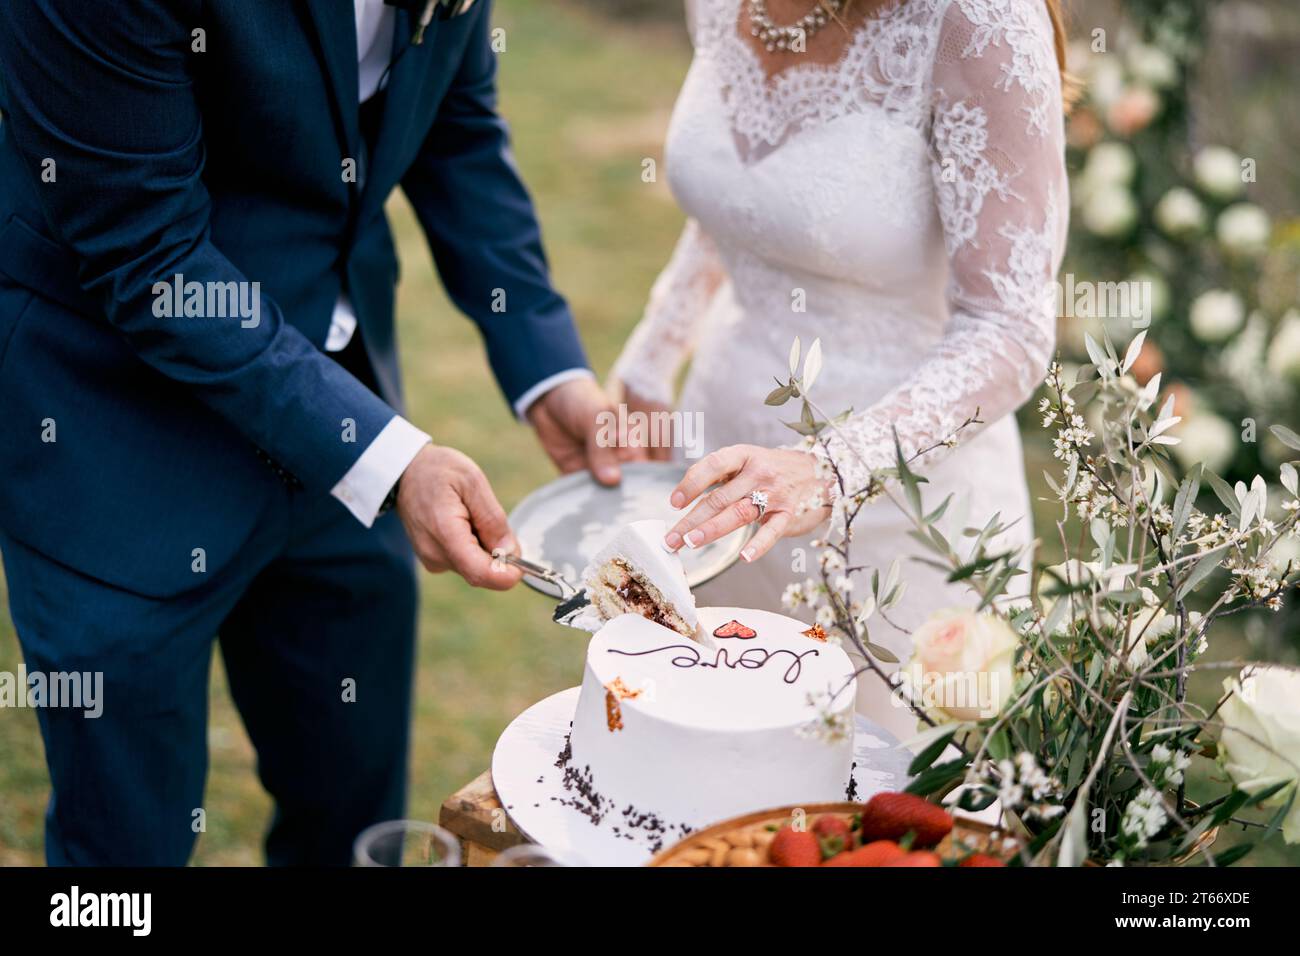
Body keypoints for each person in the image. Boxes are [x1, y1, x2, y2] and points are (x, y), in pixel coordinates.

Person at [0, 0, 614, 864]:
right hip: (110, 431)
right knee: (122, 854)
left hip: (336, 429)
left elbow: (457, 123)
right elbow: (147, 256)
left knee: (353, 821)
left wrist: (546, 367)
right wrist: (393, 460)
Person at [610, 0, 1070, 738]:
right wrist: (651, 357)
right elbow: (744, 200)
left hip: (902, 531)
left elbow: (1008, 327)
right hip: (719, 494)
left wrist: (829, 469)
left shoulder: (977, 21)